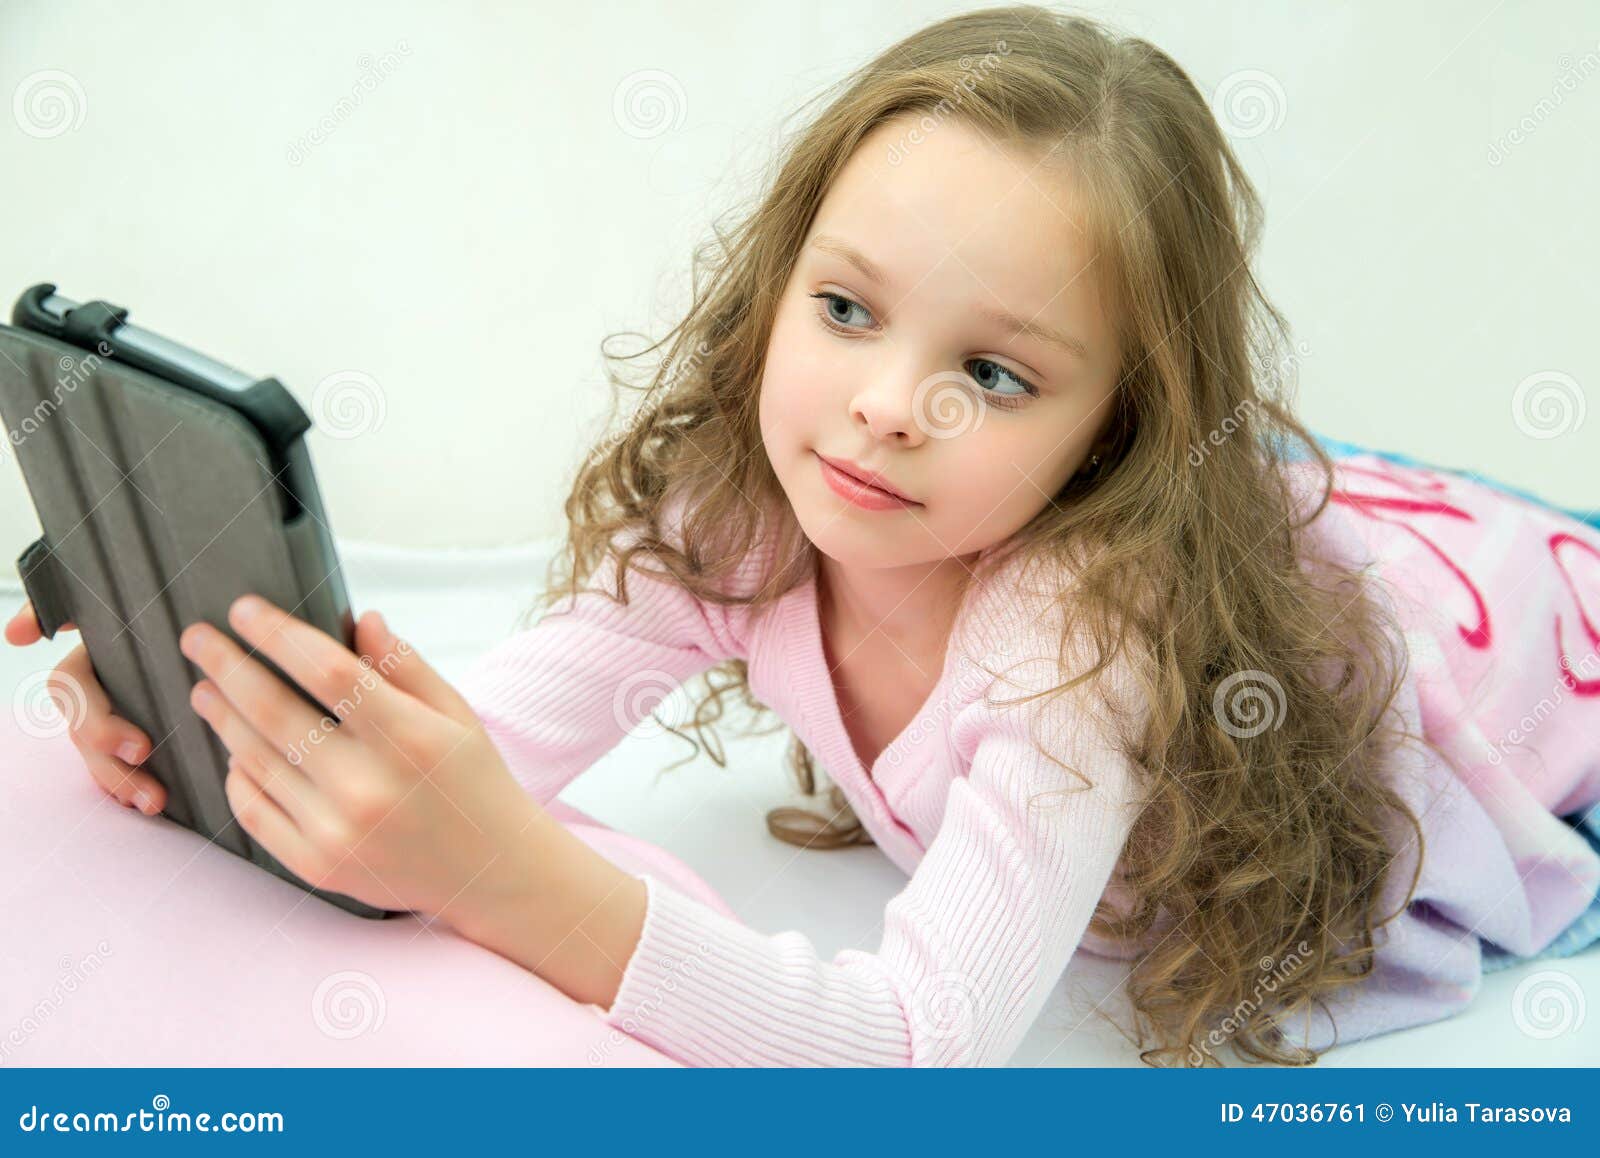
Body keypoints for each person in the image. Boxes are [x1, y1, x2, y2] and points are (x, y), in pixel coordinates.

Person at [9, 5, 1598, 1066]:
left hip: (1507, 640)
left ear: (1112, 433)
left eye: (993, 373)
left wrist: (525, 890)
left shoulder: (1076, 641)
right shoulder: (751, 511)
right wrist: (191, 696)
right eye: (844, 309)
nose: (885, 405)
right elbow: (475, 746)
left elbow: (915, 1048)